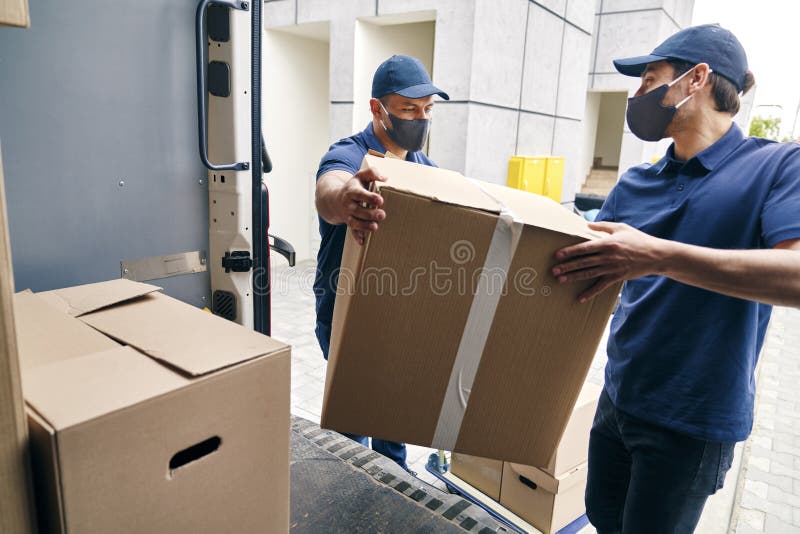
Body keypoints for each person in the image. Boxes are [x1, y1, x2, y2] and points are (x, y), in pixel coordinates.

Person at [552, 24, 800, 532]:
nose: (638, 94)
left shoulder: (777, 167)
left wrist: (659, 257)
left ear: (696, 79)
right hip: (618, 397)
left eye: (649, 79)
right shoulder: (635, 182)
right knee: (602, 517)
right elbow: (574, 262)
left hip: (691, 423)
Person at [313, 55, 449, 471]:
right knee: (352, 440)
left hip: (401, 323)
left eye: (427, 109)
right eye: (409, 109)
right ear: (378, 109)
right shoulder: (349, 155)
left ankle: (395, 483)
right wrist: (345, 199)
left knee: (392, 429)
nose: (421, 119)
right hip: (347, 318)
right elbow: (330, 188)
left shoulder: (428, 171)